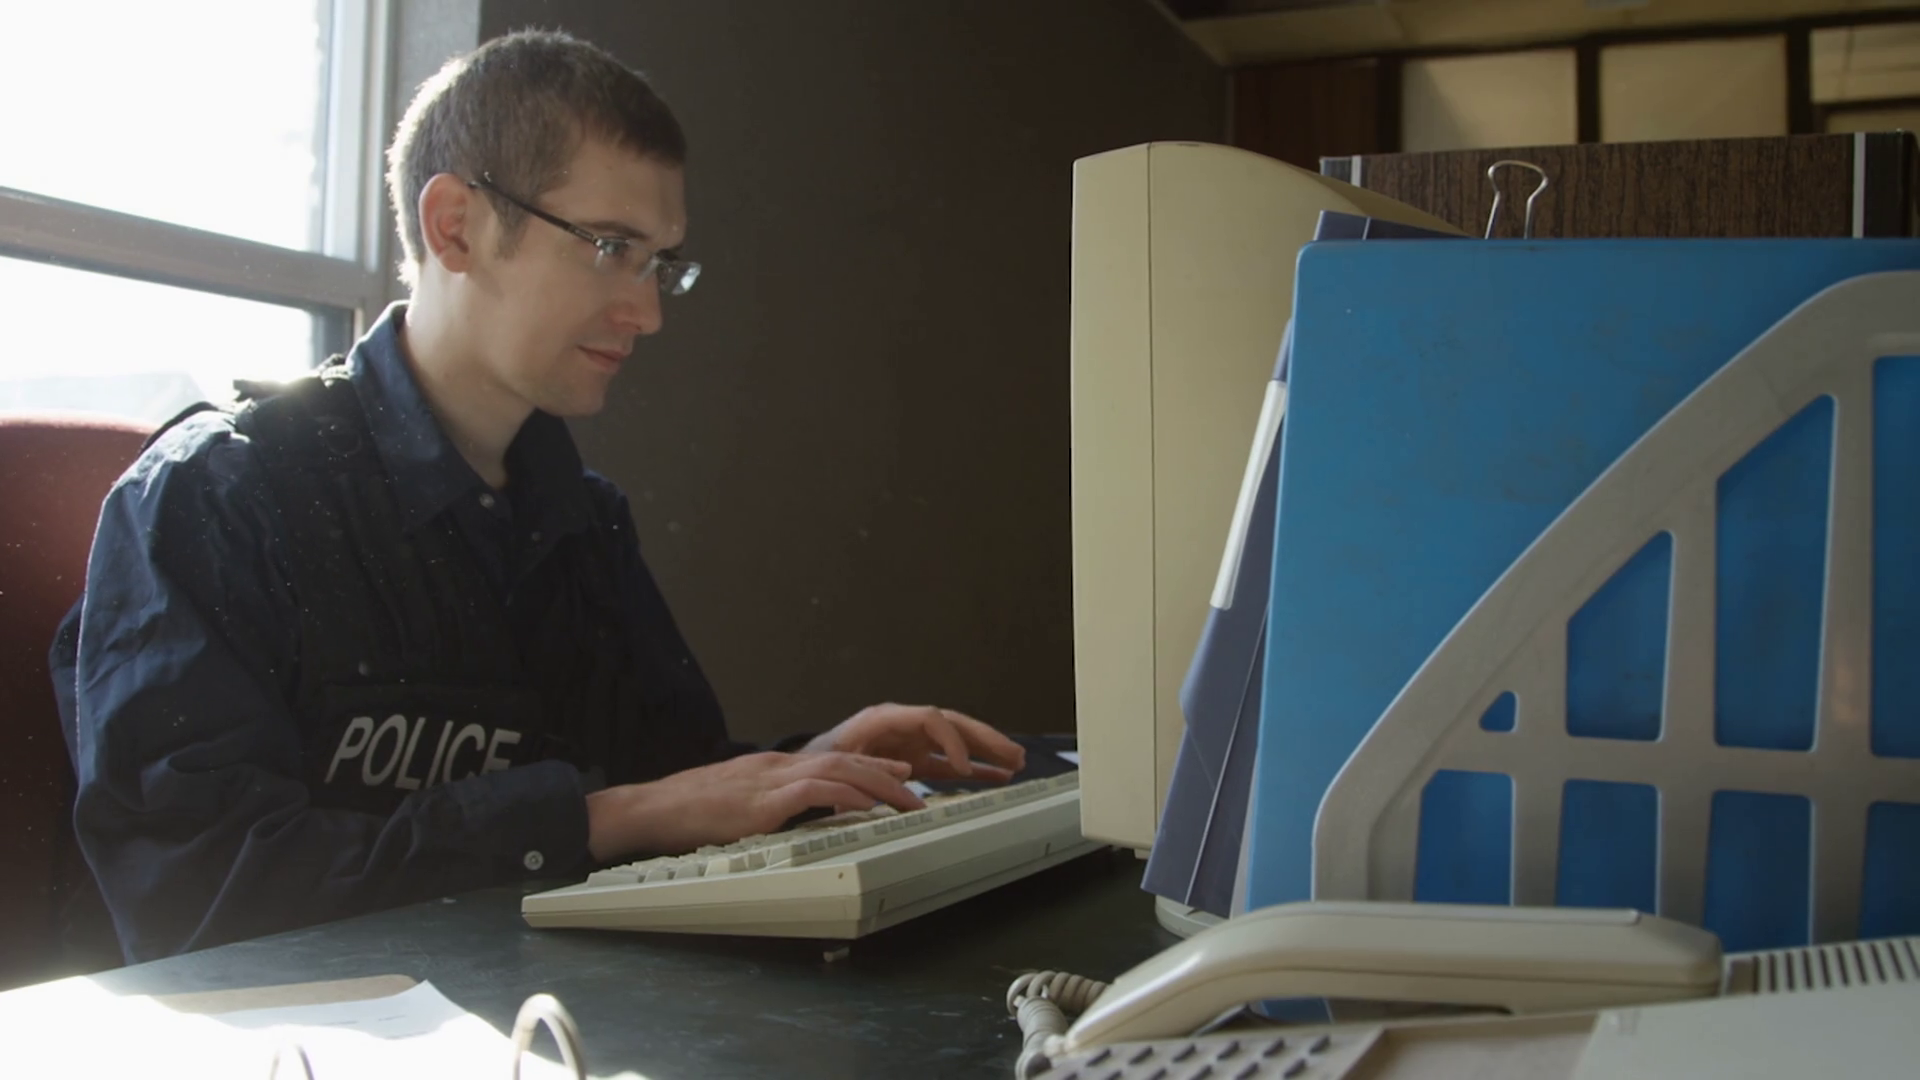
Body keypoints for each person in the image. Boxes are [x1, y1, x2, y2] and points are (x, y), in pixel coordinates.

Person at [49, 28, 1025, 964]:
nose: (644, 311)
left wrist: (810, 772)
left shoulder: (580, 517)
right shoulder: (215, 494)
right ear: (456, 227)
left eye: (660, 264)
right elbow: (197, 895)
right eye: (608, 246)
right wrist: (597, 818)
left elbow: (672, 788)